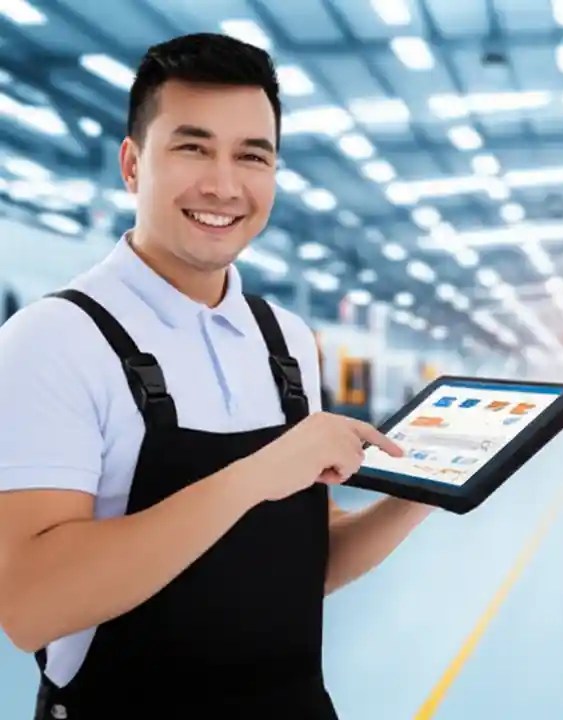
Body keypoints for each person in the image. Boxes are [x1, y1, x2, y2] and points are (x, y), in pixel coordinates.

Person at [0, 33, 433, 718]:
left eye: (252, 156)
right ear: (133, 165)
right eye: (192, 147)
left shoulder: (285, 341)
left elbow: (299, 568)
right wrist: (257, 474)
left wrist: (424, 495)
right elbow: (30, 607)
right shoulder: (53, 340)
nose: (224, 186)